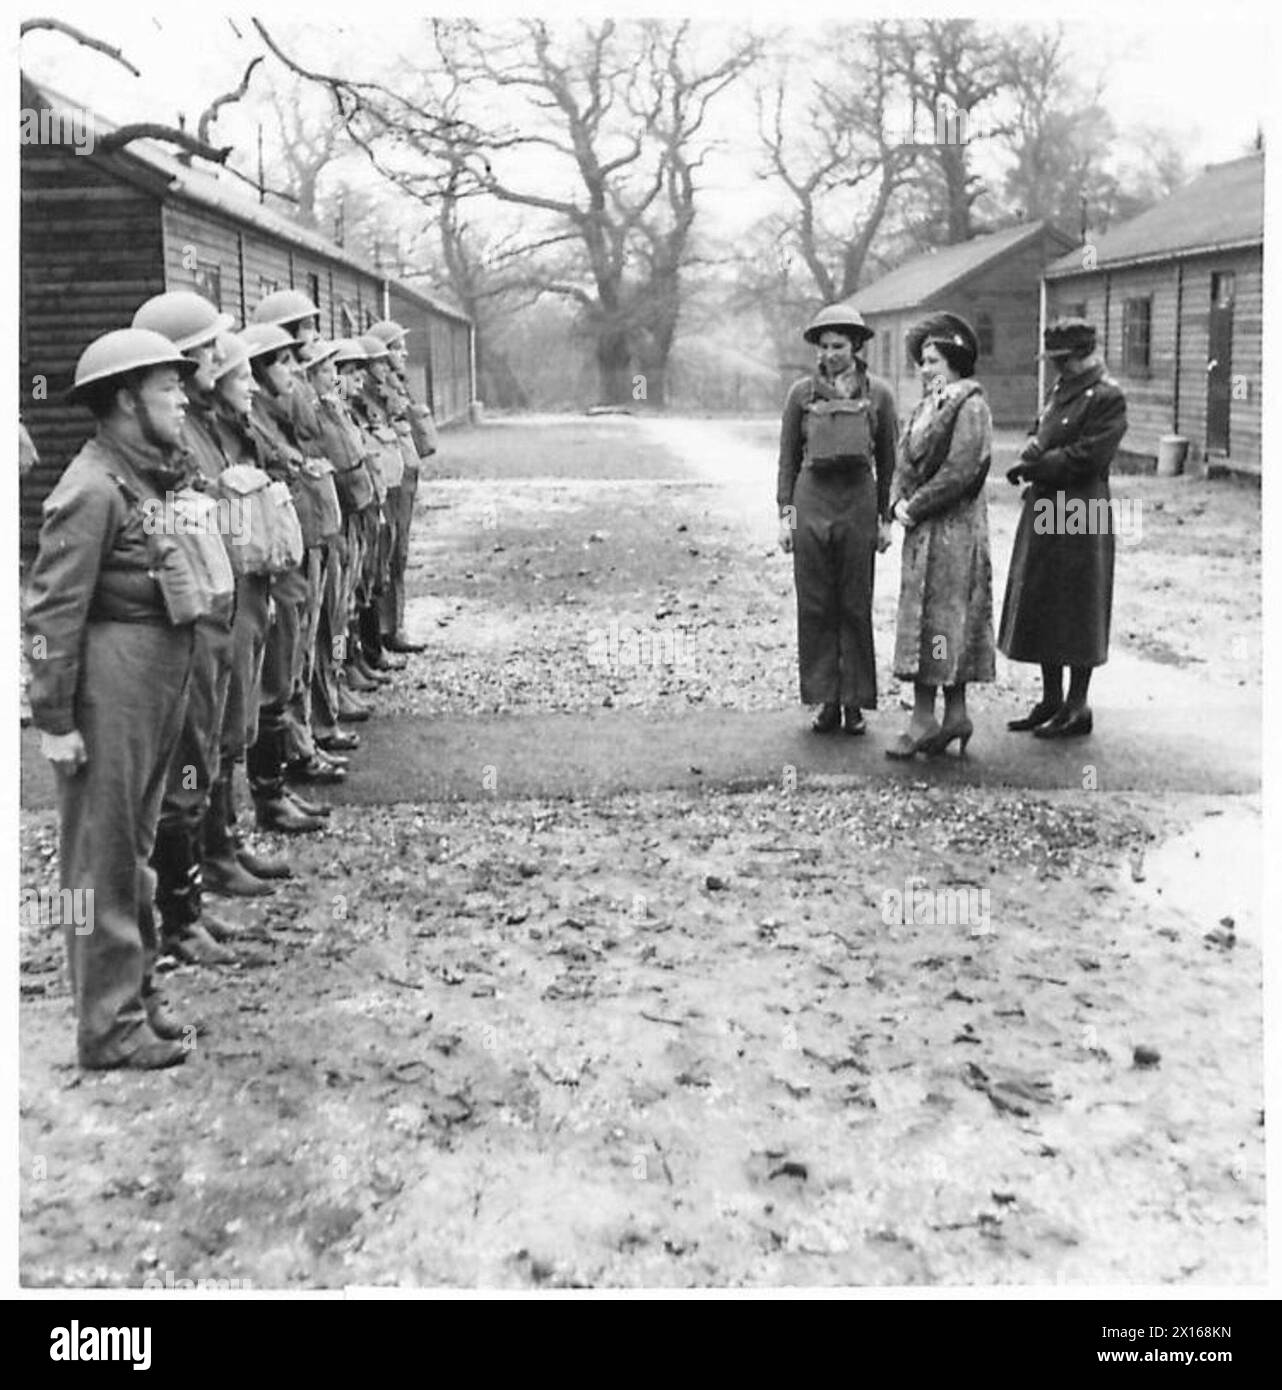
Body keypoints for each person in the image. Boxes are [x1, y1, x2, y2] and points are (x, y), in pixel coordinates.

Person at [24, 328, 203, 1068]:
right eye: (169, 387)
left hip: (151, 685)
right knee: (95, 865)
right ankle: (105, 1024)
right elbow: (49, 614)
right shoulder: (90, 489)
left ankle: (135, 990)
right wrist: (55, 719)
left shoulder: (142, 477)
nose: (183, 397)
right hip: (108, 692)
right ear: (127, 400)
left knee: (132, 850)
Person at [999, 318, 1128, 738]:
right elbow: (1045, 431)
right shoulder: (1060, 391)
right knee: (1042, 596)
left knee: (1078, 603)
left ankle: (1078, 705)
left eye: (1063, 360)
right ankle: (1051, 699)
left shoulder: (1107, 397)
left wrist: (1037, 465)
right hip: (1047, 503)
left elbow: (1088, 456)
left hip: (1081, 506)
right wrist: (1032, 447)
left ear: (1084, 354)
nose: (1057, 368)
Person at [777, 303, 896, 734]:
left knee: (854, 602)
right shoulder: (801, 395)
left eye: (839, 346)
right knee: (814, 604)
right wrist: (785, 518)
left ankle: (855, 703)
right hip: (811, 500)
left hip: (859, 502)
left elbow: (889, 461)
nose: (830, 354)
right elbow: (788, 460)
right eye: (824, 347)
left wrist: (885, 519)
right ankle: (824, 699)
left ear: (857, 346)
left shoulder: (879, 393)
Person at [886, 312, 996, 759]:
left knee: (948, 622)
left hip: (954, 533)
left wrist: (916, 505)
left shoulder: (971, 405)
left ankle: (929, 718)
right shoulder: (925, 406)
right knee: (924, 620)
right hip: (921, 533)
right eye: (923, 361)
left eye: (933, 360)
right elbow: (902, 461)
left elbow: (963, 470)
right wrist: (895, 501)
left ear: (955, 361)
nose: (924, 368)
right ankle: (948, 717)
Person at [367, 318, 434, 655]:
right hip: (386, 484)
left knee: (400, 553)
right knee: (385, 556)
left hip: (404, 477)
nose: (403, 353)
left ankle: (395, 625)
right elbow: (333, 409)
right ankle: (381, 633)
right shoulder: (365, 388)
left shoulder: (401, 385)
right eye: (395, 347)